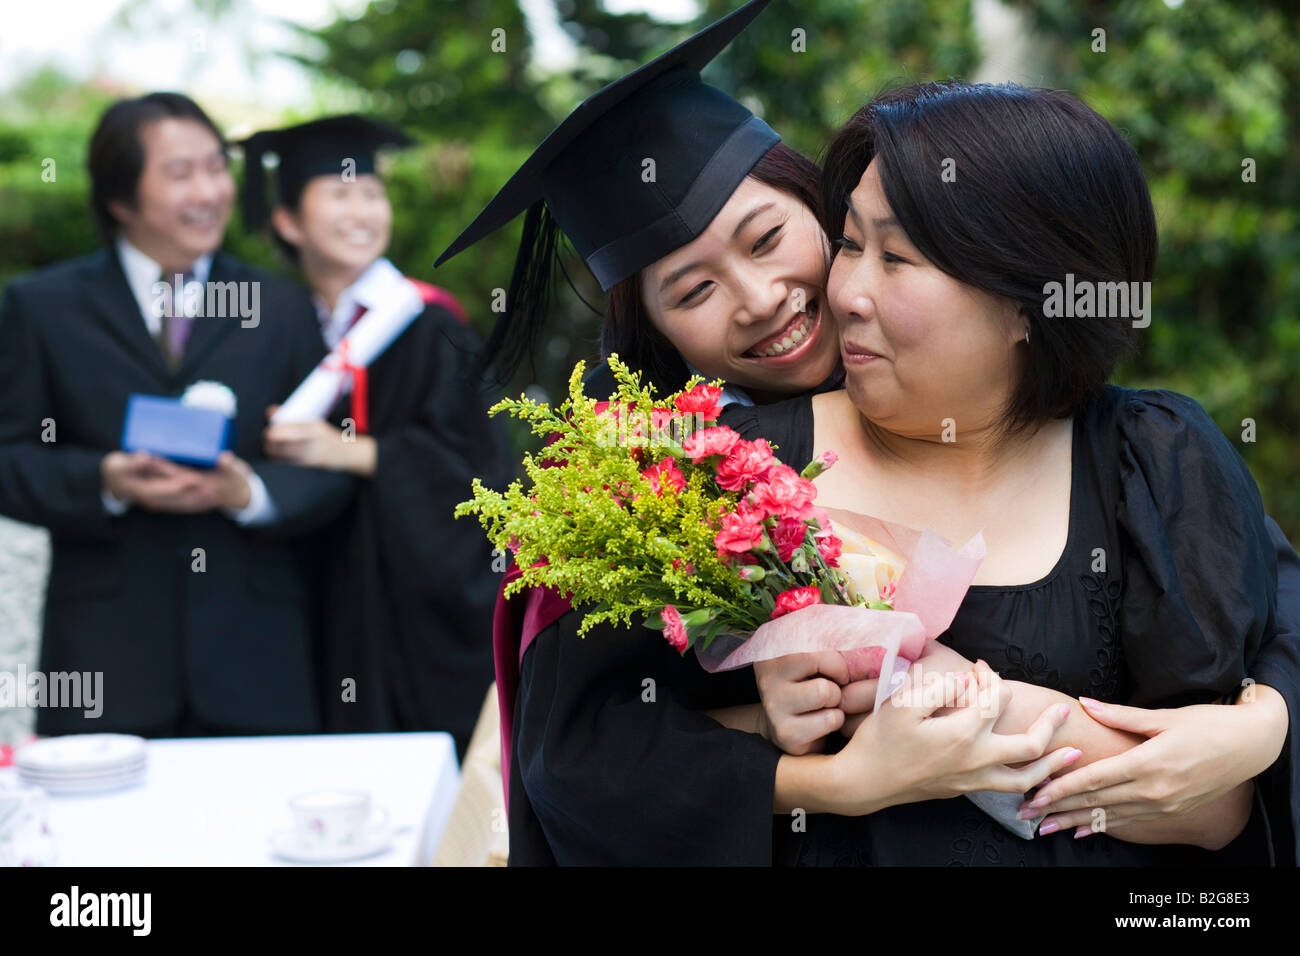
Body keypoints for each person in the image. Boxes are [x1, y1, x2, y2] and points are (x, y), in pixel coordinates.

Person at [443, 1, 1300, 864]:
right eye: (693, 292)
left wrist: (1267, 724)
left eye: (776, 238)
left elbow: (1257, 677)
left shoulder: (1146, 454)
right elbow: (589, 759)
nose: (771, 297)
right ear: (659, 337)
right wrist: (807, 764)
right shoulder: (677, 477)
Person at [720, 80, 1293, 864]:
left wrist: (990, 710)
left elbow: (1216, 808)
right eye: (850, 243)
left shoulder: (1151, 459)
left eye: (897, 257)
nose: (847, 292)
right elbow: (605, 763)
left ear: (1030, 303)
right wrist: (781, 734)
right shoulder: (734, 468)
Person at [0, 92, 355, 736]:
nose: (210, 191)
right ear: (120, 198)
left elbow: (332, 460)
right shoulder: (41, 307)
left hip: (256, 657)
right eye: (180, 173)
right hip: (104, 663)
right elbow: (9, 458)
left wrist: (247, 490)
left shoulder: (280, 306)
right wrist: (104, 480)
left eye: (216, 168)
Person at [243, 116, 514, 759]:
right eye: (340, 195)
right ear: (288, 222)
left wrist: (359, 453)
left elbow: (485, 472)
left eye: (372, 193)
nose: (363, 210)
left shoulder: (427, 324)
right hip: (318, 588)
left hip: (410, 603)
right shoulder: (280, 329)